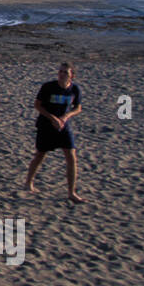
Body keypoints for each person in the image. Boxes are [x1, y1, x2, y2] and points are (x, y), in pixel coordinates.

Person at [23, 62, 84, 203]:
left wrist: (65, 117)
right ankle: (28, 182)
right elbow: (37, 105)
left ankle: (71, 192)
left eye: (65, 73)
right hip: (46, 125)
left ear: (71, 76)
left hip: (63, 126)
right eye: (60, 72)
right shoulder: (48, 87)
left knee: (71, 156)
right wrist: (52, 118)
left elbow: (78, 107)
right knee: (40, 155)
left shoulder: (75, 89)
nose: (61, 75)